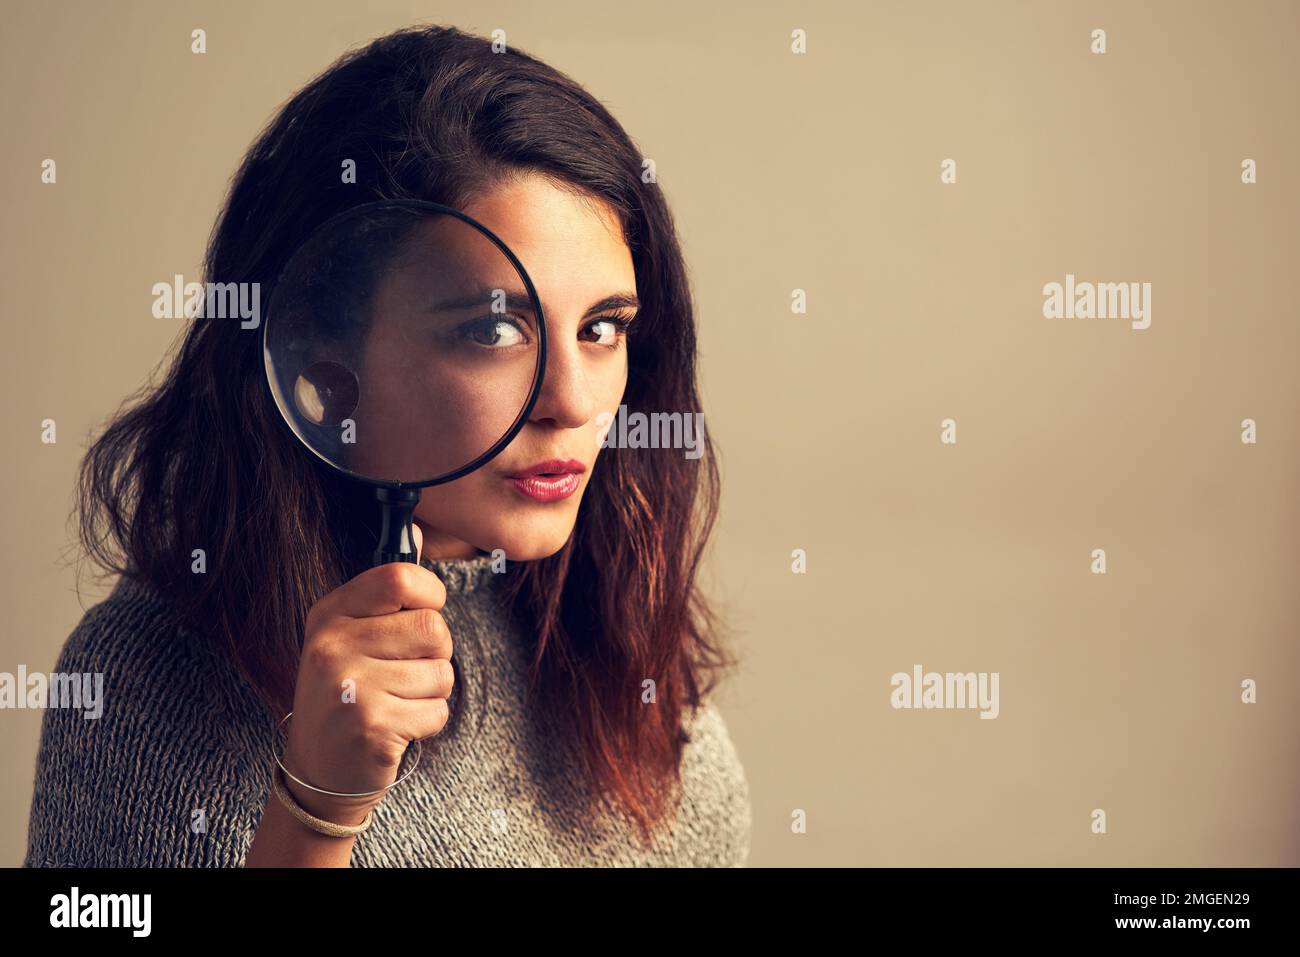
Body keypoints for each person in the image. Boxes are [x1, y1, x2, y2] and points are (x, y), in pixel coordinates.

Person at [23, 23, 750, 868]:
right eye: (493, 328)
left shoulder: (626, 658)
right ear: (323, 354)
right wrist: (316, 809)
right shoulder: (147, 678)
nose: (573, 402)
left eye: (601, 328)